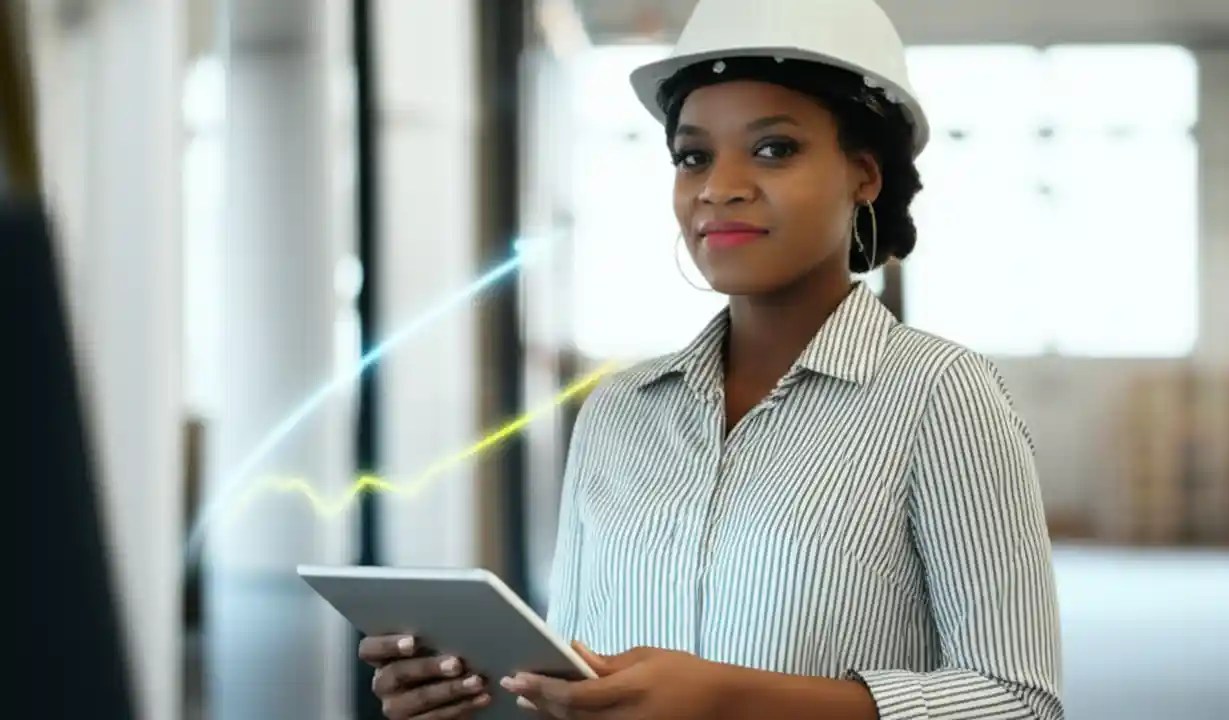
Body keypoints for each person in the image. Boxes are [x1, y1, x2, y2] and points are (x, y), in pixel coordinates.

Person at [359, 0, 1064, 718]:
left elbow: (1017, 700)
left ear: (864, 175)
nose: (717, 186)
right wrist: (480, 695)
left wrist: (735, 701)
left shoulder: (941, 395)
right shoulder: (619, 409)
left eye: (773, 149)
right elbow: (580, 680)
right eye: (693, 155)